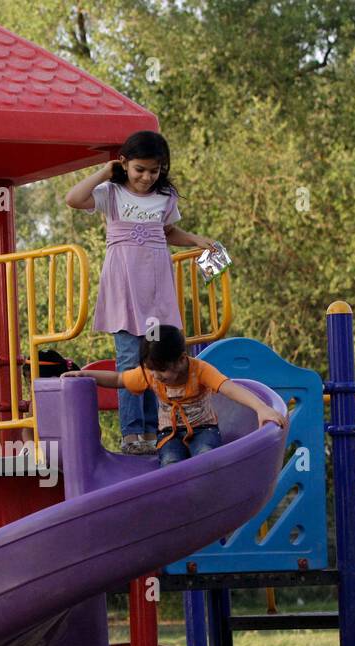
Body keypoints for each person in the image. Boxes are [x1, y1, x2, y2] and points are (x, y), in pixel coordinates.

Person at [65, 130, 223, 456]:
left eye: (155, 170)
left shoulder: (163, 197)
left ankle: (157, 428)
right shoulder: (112, 193)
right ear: (124, 163)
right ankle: (133, 434)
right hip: (124, 289)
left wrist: (195, 240)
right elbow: (74, 198)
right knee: (127, 361)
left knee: (155, 360)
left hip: (155, 290)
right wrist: (105, 171)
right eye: (140, 170)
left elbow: (167, 232)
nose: (147, 177)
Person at [64, 325, 286, 464]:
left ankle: (207, 495)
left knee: (206, 454)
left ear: (181, 360)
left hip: (203, 430)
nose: (156, 376)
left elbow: (229, 388)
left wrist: (261, 408)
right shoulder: (149, 374)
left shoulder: (200, 370)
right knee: (170, 460)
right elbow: (119, 379)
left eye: (161, 370)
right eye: (151, 369)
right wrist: (85, 375)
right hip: (169, 434)